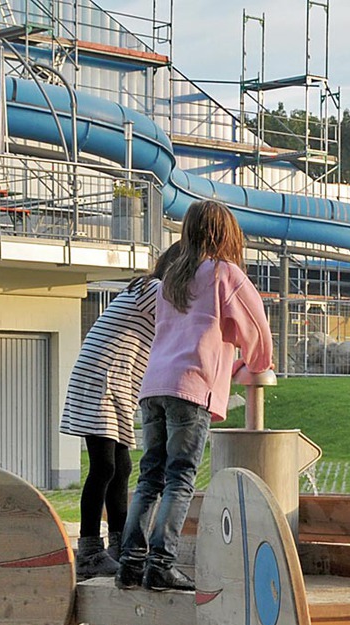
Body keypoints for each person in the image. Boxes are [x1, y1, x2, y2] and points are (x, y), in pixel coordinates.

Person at [116, 199, 274, 592]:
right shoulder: (224, 273)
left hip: (153, 386)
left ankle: (131, 563)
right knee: (179, 478)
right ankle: (162, 562)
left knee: (150, 476)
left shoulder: (170, 277)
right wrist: (255, 365)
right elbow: (256, 328)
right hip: (191, 388)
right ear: (225, 233)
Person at [60, 243, 181, 580]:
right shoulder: (154, 290)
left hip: (113, 381)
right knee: (104, 466)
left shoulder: (146, 289)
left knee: (121, 465)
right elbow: (182, 325)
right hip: (103, 379)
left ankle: (118, 544)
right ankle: (88, 550)